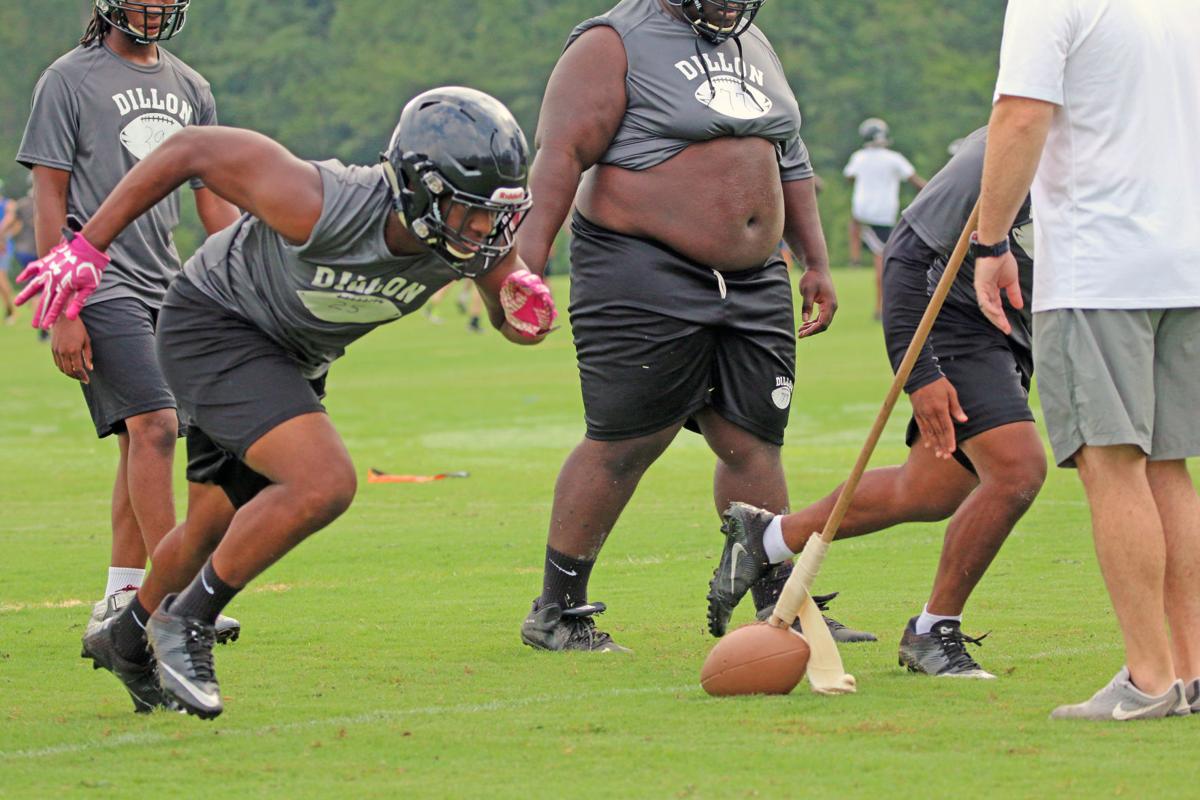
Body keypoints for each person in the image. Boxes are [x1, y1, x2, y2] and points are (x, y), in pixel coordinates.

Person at [18, 86, 555, 718]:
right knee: (322, 481)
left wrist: (518, 315)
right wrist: (88, 247)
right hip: (215, 324)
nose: (486, 230)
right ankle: (184, 621)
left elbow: (503, 308)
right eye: (468, 211)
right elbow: (190, 148)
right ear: (418, 187)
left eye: (496, 213)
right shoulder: (319, 202)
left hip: (288, 356)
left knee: (209, 527)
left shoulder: (479, 242)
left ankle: (127, 637)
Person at [514, 0, 863, 653]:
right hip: (641, 267)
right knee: (628, 438)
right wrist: (524, 268)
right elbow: (560, 156)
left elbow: (790, 157)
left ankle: (778, 603)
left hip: (757, 278)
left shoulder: (753, 43)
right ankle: (557, 610)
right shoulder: (612, 42)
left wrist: (816, 259)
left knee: (752, 440)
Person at [707, 126, 1047, 679]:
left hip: (1015, 333)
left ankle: (766, 537)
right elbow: (906, 255)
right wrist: (922, 375)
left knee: (929, 490)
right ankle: (934, 631)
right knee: (1017, 472)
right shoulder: (1003, 146)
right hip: (957, 324)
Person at [974, 0, 1200, 721]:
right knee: (1169, 465)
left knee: (1112, 460)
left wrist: (990, 241)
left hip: (1100, 267)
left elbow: (1019, 115)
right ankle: (1191, 673)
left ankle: (1149, 680)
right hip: (1185, 262)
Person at [15, 0, 242, 640]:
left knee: (139, 441)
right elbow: (50, 196)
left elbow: (213, 202)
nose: (157, 7)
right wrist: (63, 310)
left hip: (168, 286)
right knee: (157, 427)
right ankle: (176, 596)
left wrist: (251, 278)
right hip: (97, 283)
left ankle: (122, 597)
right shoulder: (68, 79)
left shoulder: (192, 86)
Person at [844, 117, 926, 318]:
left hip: (862, 211)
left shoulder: (859, 157)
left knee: (854, 225)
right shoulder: (894, 158)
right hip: (883, 214)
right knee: (881, 260)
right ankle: (880, 308)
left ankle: (854, 259)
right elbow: (915, 180)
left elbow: (848, 176)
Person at [0, 180, 18, 321]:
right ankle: (9, 309)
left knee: (1, 278)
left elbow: (12, 222)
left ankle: (11, 310)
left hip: (3, 245)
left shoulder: (8, 204)